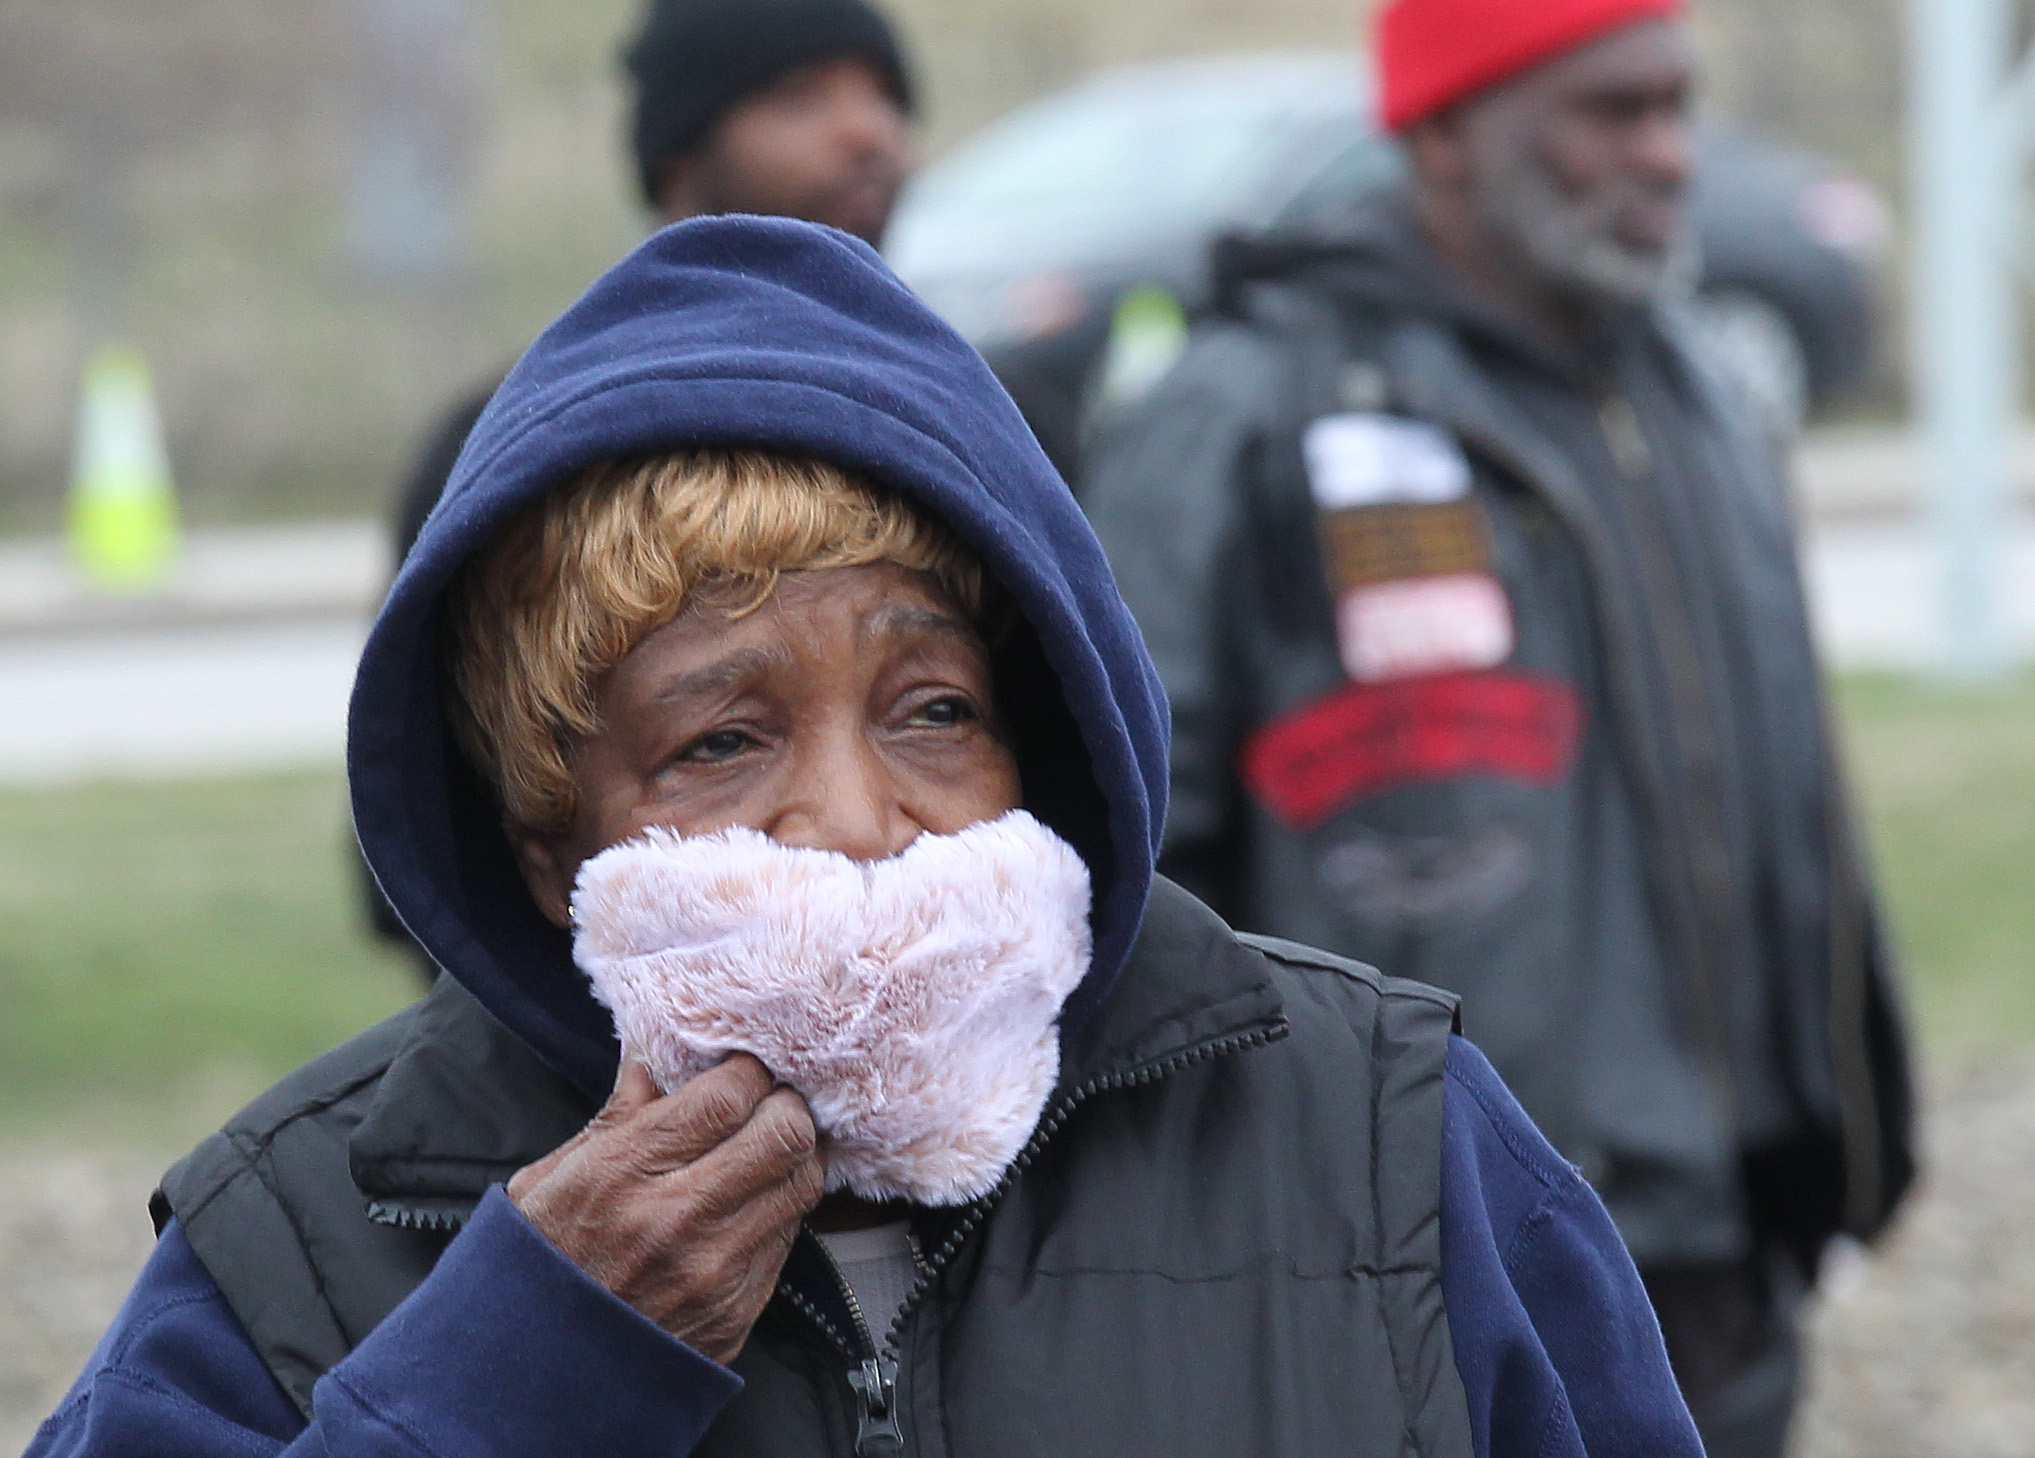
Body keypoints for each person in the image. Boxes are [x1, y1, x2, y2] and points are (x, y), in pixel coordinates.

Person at [30, 217, 1702, 1458]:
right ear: (549, 845)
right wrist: (518, 1365)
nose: (852, 820)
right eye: (721, 739)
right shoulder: (302, 1243)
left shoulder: (1386, 1137)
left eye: (933, 710)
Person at [1081, 2, 1914, 1454]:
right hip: (1423, 1278)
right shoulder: (1247, 415)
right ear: (1447, 131)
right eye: (1612, 110)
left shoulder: (1703, 391)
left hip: (1727, 1263)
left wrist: (1852, 1127)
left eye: (1677, 104)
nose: (1671, 153)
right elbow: (1123, 863)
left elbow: (1797, 800)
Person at [365, 0, 917, 972]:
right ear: (677, 157)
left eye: (885, 96)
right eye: (801, 97)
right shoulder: (513, 456)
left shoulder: (987, 432)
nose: (867, 130)